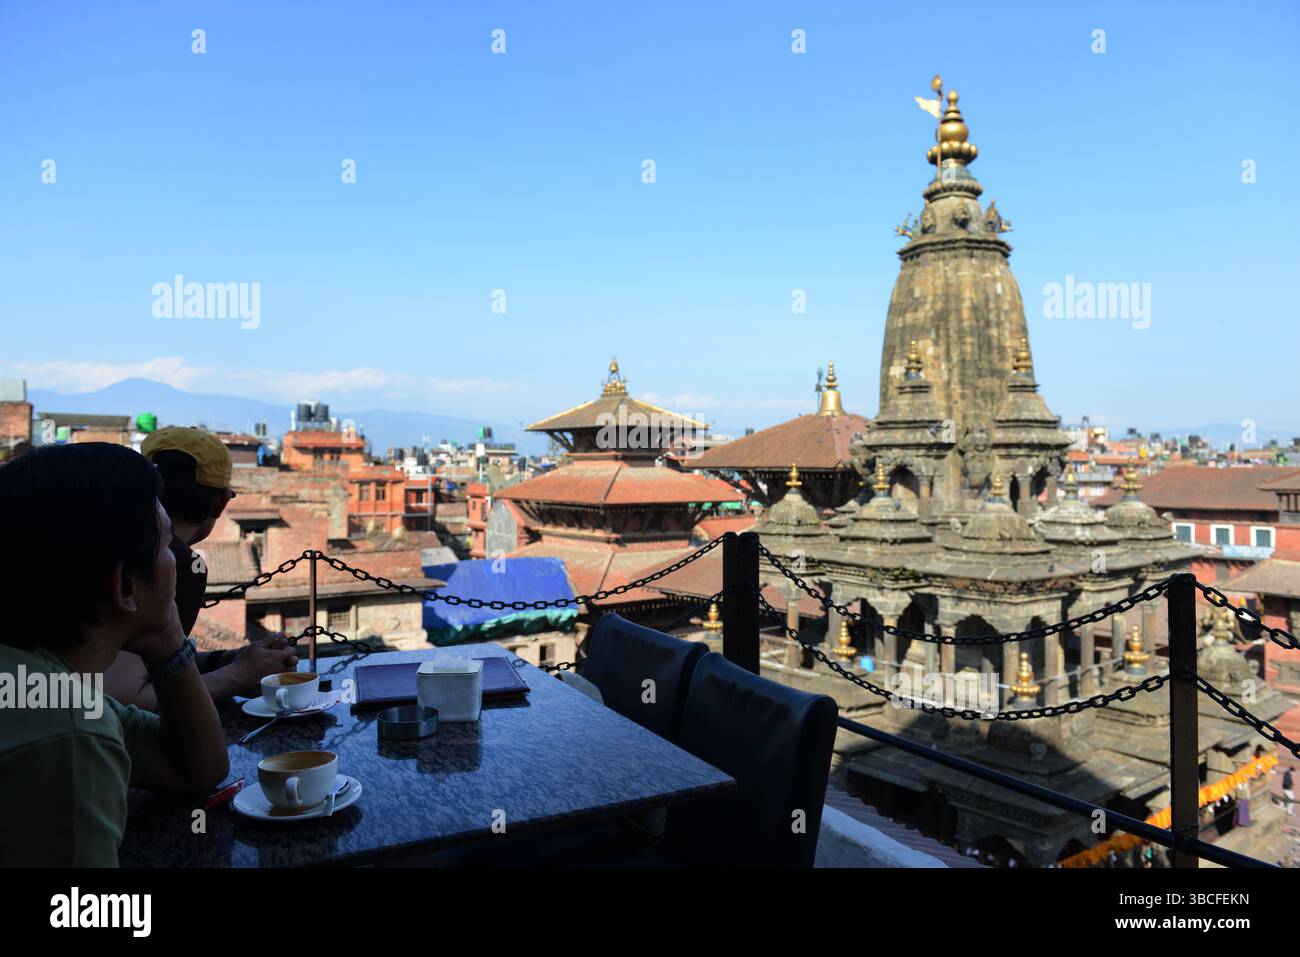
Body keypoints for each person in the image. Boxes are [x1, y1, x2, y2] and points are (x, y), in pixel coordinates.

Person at [0, 443, 229, 865]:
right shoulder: (68, 735)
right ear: (125, 585)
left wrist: (168, 645)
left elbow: (197, 767)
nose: (175, 563)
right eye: (165, 547)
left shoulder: (41, 686)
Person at [104, 427, 297, 710]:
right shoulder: (173, 564)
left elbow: (156, 662)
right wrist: (239, 676)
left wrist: (234, 660)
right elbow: (128, 696)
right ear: (219, 503)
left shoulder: (115, 545)